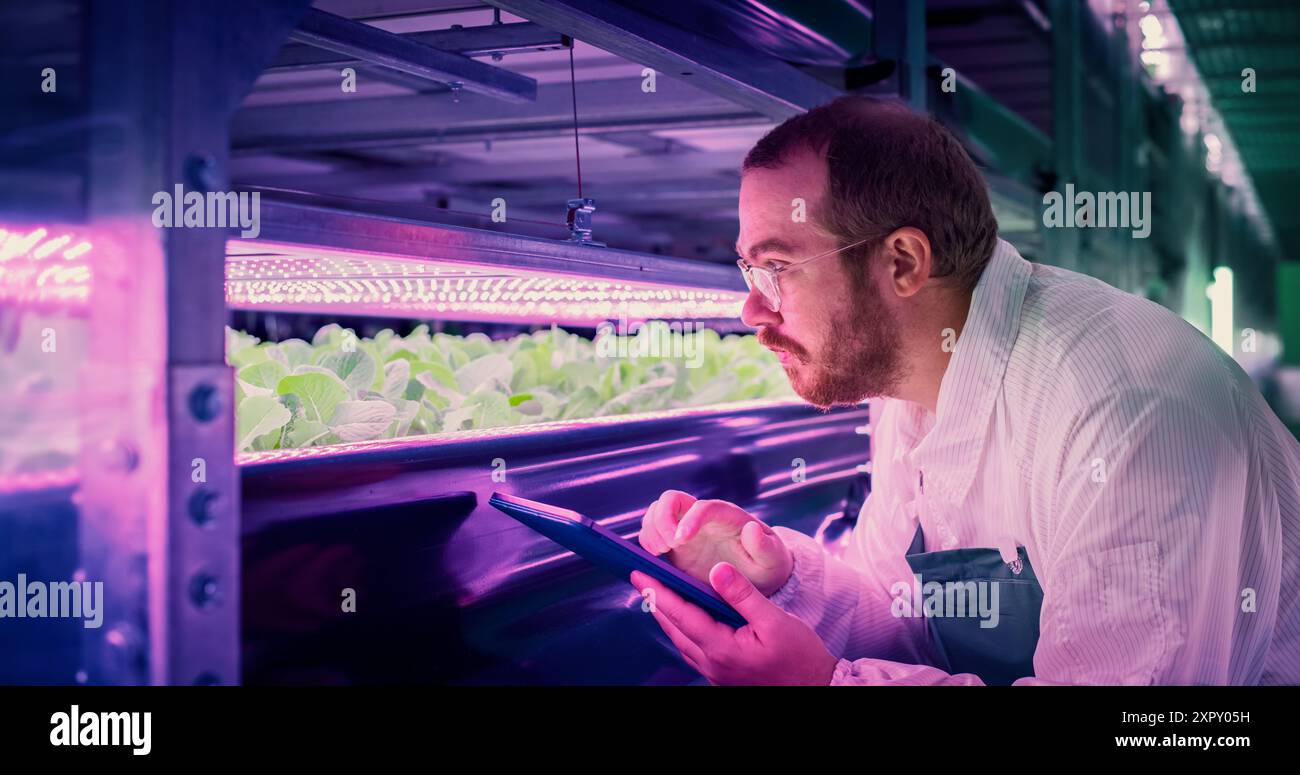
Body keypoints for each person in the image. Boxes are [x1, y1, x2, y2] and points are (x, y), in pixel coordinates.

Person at [629, 96, 1300, 685]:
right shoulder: (913, 382)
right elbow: (904, 617)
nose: (751, 311)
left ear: (902, 263)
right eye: (749, 268)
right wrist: (777, 578)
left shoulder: (1129, 409)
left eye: (777, 268)